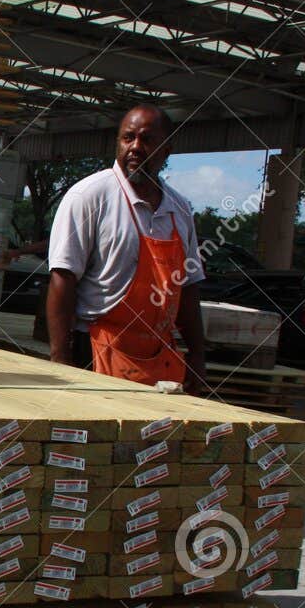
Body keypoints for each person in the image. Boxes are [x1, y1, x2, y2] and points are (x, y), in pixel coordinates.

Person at [44, 104, 209, 394]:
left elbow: (189, 286)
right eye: (127, 138)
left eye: (146, 139)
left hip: (157, 356)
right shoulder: (90, 196)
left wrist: (197, 354)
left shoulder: (180, 209)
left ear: (167, 149)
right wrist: (60, 359)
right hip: (96, 351)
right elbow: (63, 278)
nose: (135, 147)